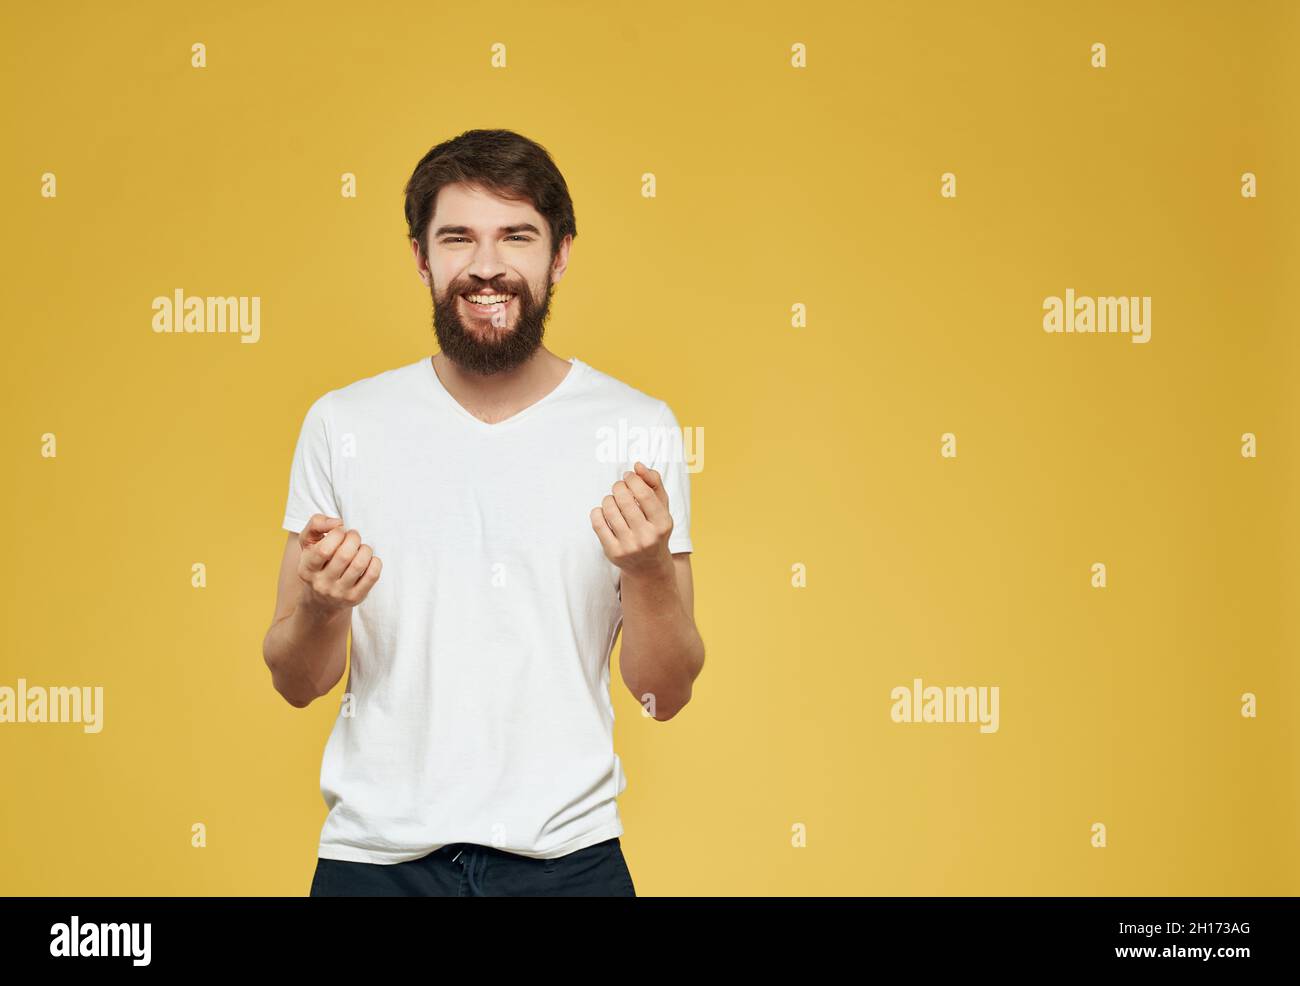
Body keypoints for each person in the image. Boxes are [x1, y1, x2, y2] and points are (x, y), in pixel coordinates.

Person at [262, 129, 705, 896]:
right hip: (376, 864)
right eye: (458, 237)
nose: (488, 265)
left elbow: (665, 692)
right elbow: (296, 681)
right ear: (421, 257)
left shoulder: (637, 429)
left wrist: (646, 571)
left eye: (517, 236)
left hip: (571, 866)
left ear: (560, 254)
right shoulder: (343, 424)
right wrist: (322, 609)